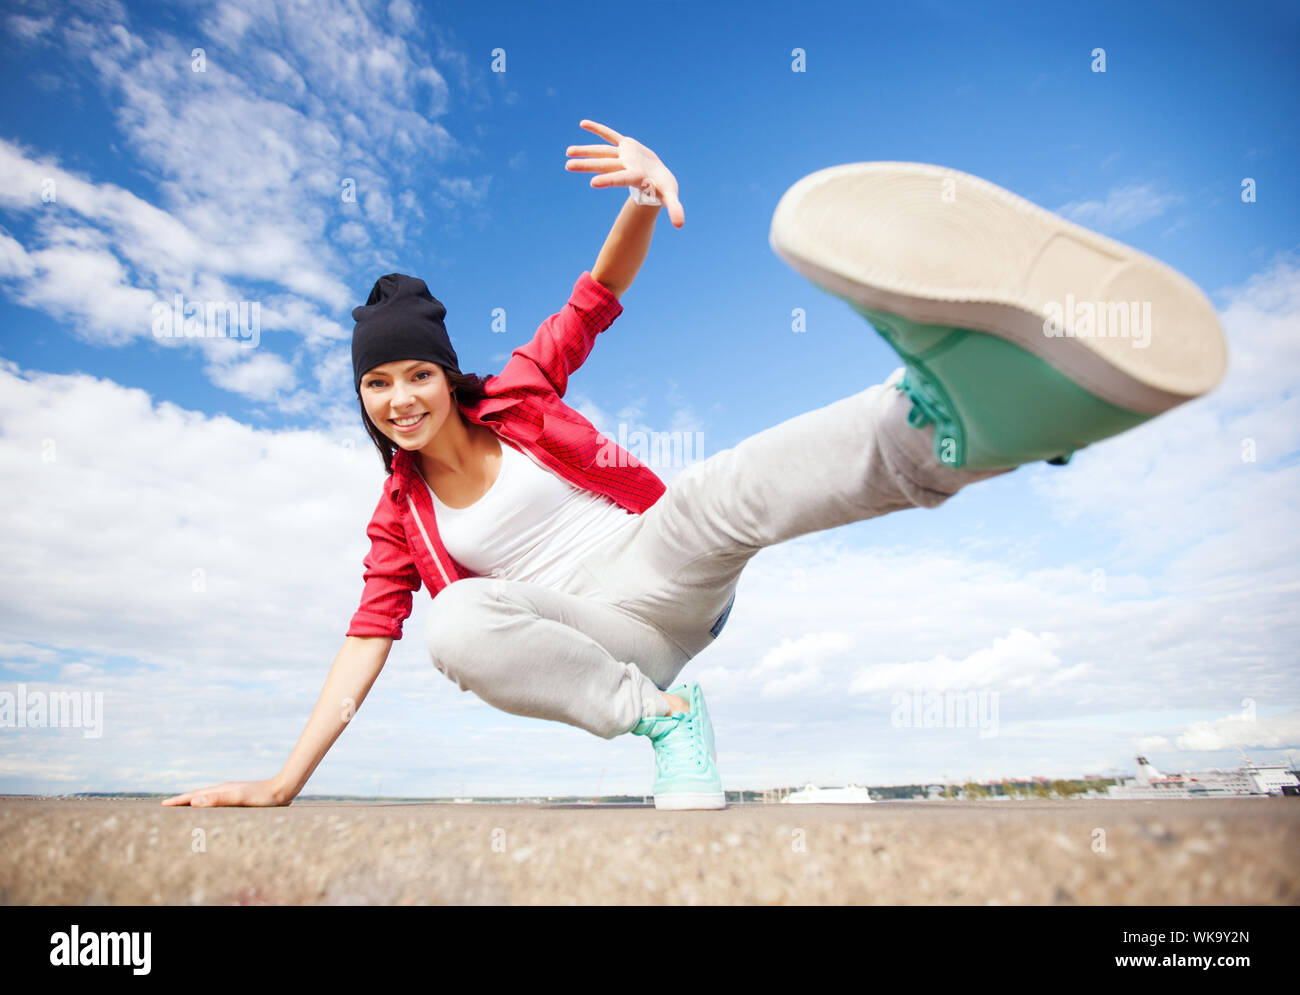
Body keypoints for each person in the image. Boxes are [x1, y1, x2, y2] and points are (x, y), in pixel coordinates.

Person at [163, 120, 1227, 811]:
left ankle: (961, 418)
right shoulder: (398, 520)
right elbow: (363, 645)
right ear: (362, 399)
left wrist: (641, 192)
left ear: (446, 374)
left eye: (413, 373)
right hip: (603, 643)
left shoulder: (521, 393)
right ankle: (668, 724)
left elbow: (594, 297)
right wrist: (282, 781)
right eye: (374, 383)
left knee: (722, 491)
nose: (397, 397)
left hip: (661, 563)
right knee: (455, 622)